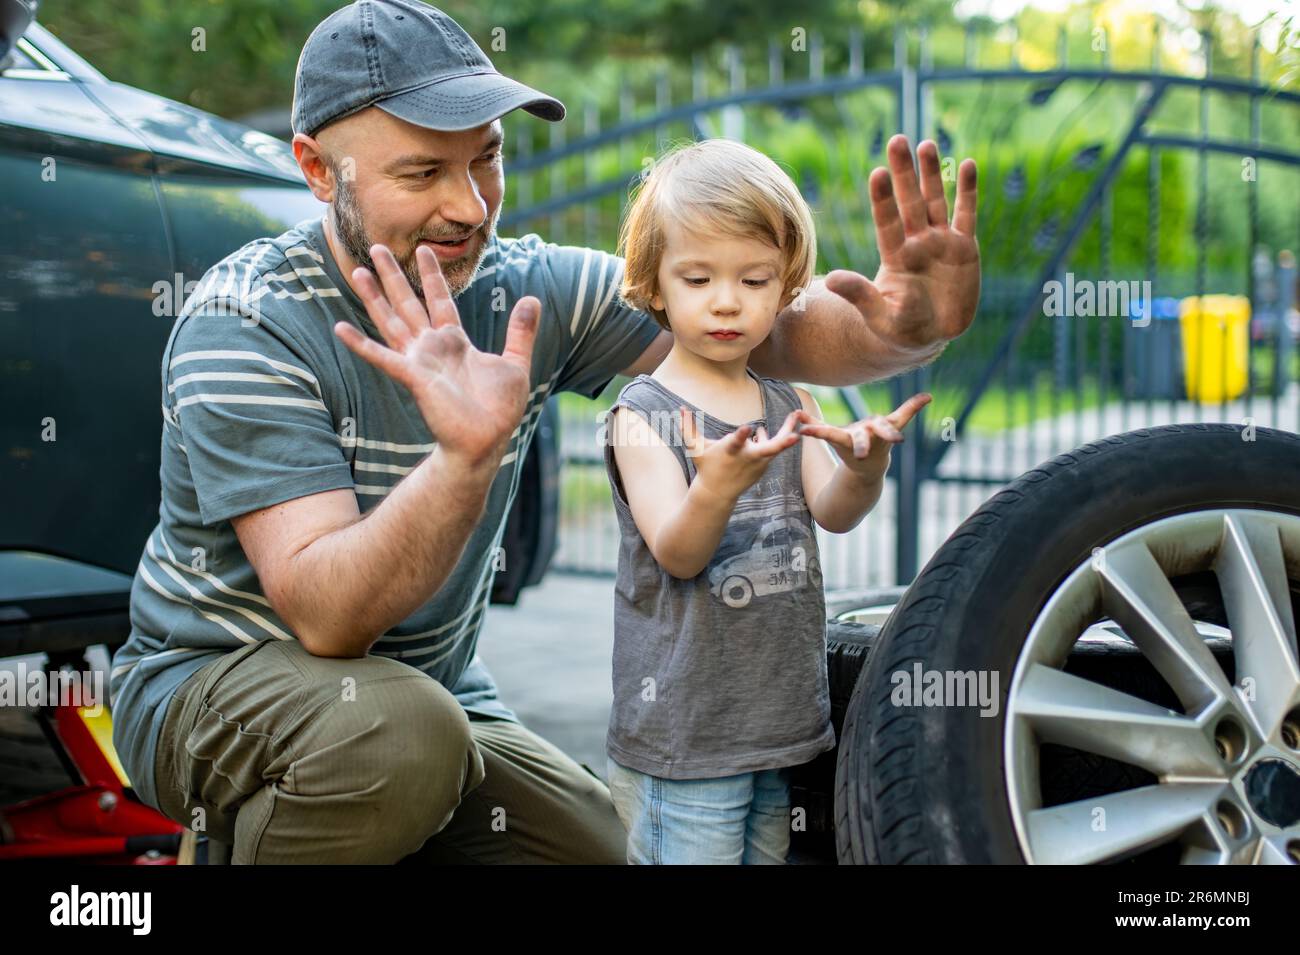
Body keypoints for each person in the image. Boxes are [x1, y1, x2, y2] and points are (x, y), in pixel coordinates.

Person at [107, 0, 981, 864]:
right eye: (422, 174)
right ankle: (239, 835)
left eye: (486, 160)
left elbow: (752, 327)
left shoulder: (523, 286)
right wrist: (464, 458)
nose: (469, 205)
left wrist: (907, 328)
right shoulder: (246, 320)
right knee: (397, 747)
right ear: (317, 168)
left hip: (432, 691)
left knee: (605, 850)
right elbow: (329, 621)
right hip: (215, 680)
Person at [602, 140, 931, 864]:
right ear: (653, 284)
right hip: (684, 739)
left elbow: (834, 508)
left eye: (754, 279)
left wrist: (866, 468)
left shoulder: (792, 402)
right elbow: (678, 552)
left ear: (786, 290)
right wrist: (715, 487)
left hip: (775, 726)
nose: (727, 300)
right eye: (698, 277)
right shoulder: (644, 414)